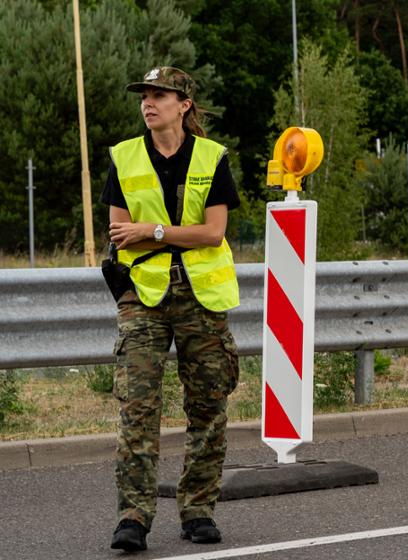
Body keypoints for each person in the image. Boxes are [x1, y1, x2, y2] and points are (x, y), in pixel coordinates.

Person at [102, 67, 241, 552]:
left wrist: (154, 230)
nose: (148, 102)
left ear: (183, 104)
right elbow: (120, 233)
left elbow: (213, 232)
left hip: (201, 296)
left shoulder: (211, 156)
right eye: (144, 94)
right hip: (143, 295)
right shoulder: (123, 157)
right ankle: (133, 518)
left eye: (159, 94)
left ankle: (198, 510)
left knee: (208, 405)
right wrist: (143, 235)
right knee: (137, 408)